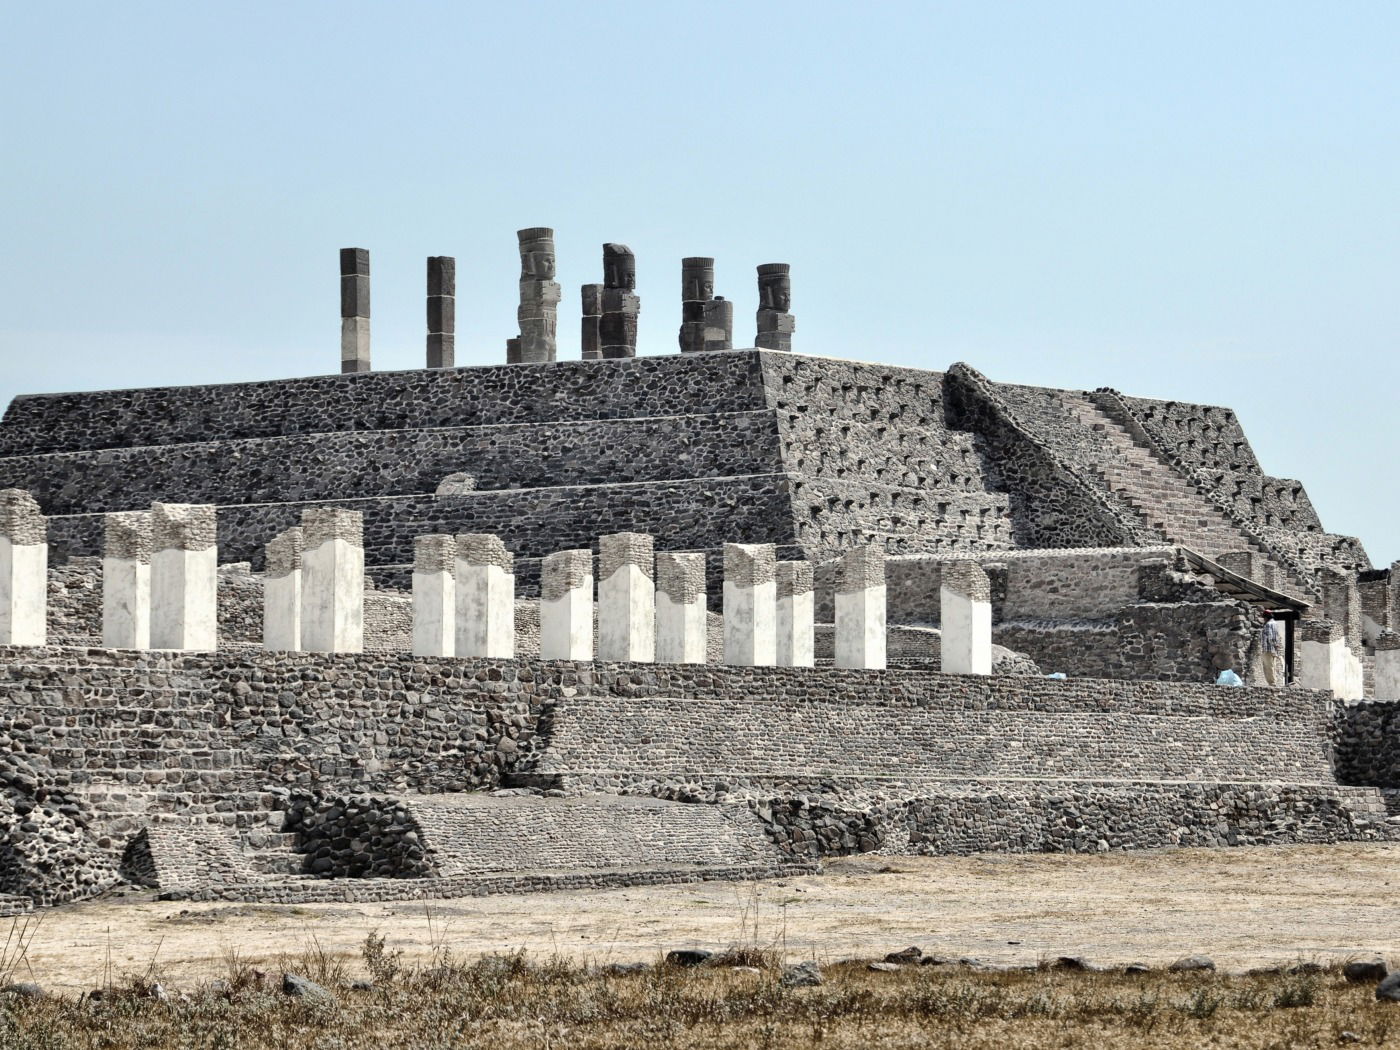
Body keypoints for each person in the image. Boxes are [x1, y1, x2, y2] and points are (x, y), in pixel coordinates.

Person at [1259, 610, 1285, 687]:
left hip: (1268, 648)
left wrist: (1273, 644)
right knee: (1272, 666)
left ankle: (1271, 683)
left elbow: (1269, 637)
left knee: (1268, 666)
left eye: (1264, 618)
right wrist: (1276, 645)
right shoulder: (1275, 624)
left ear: (1266, 617)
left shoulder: (1268, 624)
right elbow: (1276, 636)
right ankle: (1273, 682)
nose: (1264, 619)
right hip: (1273, 649)